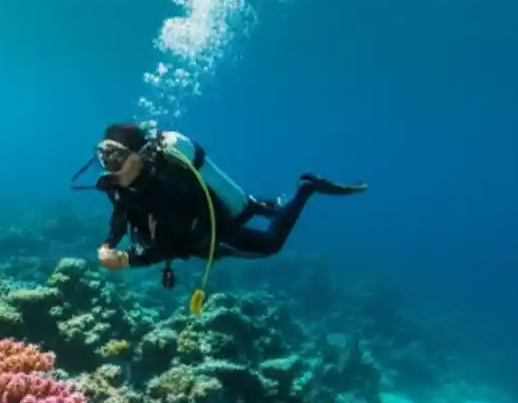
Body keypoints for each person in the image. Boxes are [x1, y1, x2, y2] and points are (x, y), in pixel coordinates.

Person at [73, 122, 366, 286]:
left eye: (117, 156)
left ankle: (305, 189)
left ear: (138, 155)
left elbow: (173, 243)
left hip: (210, 231)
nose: (109, 164)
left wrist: (127, 260)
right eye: (104, 155)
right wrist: (108, 242)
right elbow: (121, 213)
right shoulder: (116, 184)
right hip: (181, 234)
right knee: (257, 211)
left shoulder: (167, 184)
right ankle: (262, 205)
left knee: (270, 245)